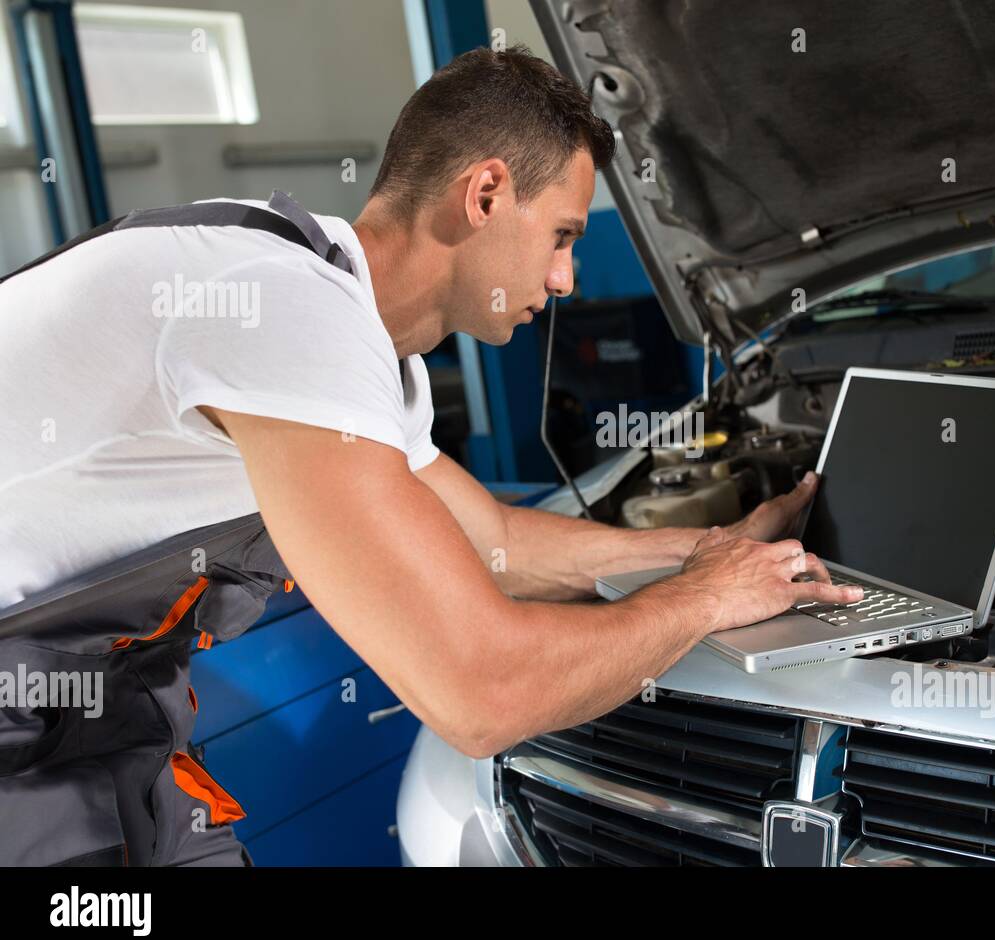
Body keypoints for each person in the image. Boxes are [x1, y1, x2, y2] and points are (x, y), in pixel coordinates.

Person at [0, 45, 862, 772]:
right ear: (484, 194)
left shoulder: (347, 321)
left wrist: (716, 550)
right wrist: (703, 601)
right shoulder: (282, 308)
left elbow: (497, 543)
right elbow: (481, 693)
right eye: (563, 234)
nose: (565, 280)